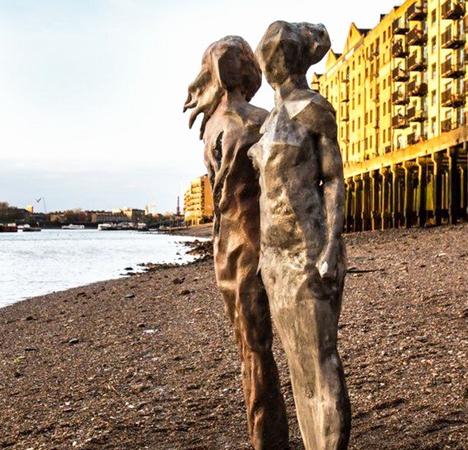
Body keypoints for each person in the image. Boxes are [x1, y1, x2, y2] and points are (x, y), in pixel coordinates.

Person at [184, 36, 289, 450]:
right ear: (248, 71)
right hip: (258, 242)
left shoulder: (213, 125)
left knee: (250, 346)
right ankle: (269, 438)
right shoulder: (259, 121)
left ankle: (265, 434)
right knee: (264, 348)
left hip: (225, 248)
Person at [249, 21, 351, 450]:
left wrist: (332, 245)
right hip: (275, 258)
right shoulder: (270, 119)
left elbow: (333, 180)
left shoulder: (312, 108)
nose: (271, 59)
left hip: (309, 250)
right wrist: (263, 260)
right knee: (297, 365)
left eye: (277, 51)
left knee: (320, 361)